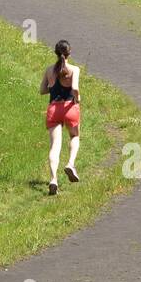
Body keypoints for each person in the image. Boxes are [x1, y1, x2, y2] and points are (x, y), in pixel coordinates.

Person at [40, 40, 81, 195]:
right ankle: (70, 164)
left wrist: (52, 86)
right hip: (70, 107)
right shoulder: (74, 69)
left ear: (56, 53)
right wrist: (77, 98)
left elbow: (42, 90)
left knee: (54, 146)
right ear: (69, 53)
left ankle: (53, 179)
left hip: (54, 109)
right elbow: (75, 88)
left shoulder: (49, 70)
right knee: (74, 136)